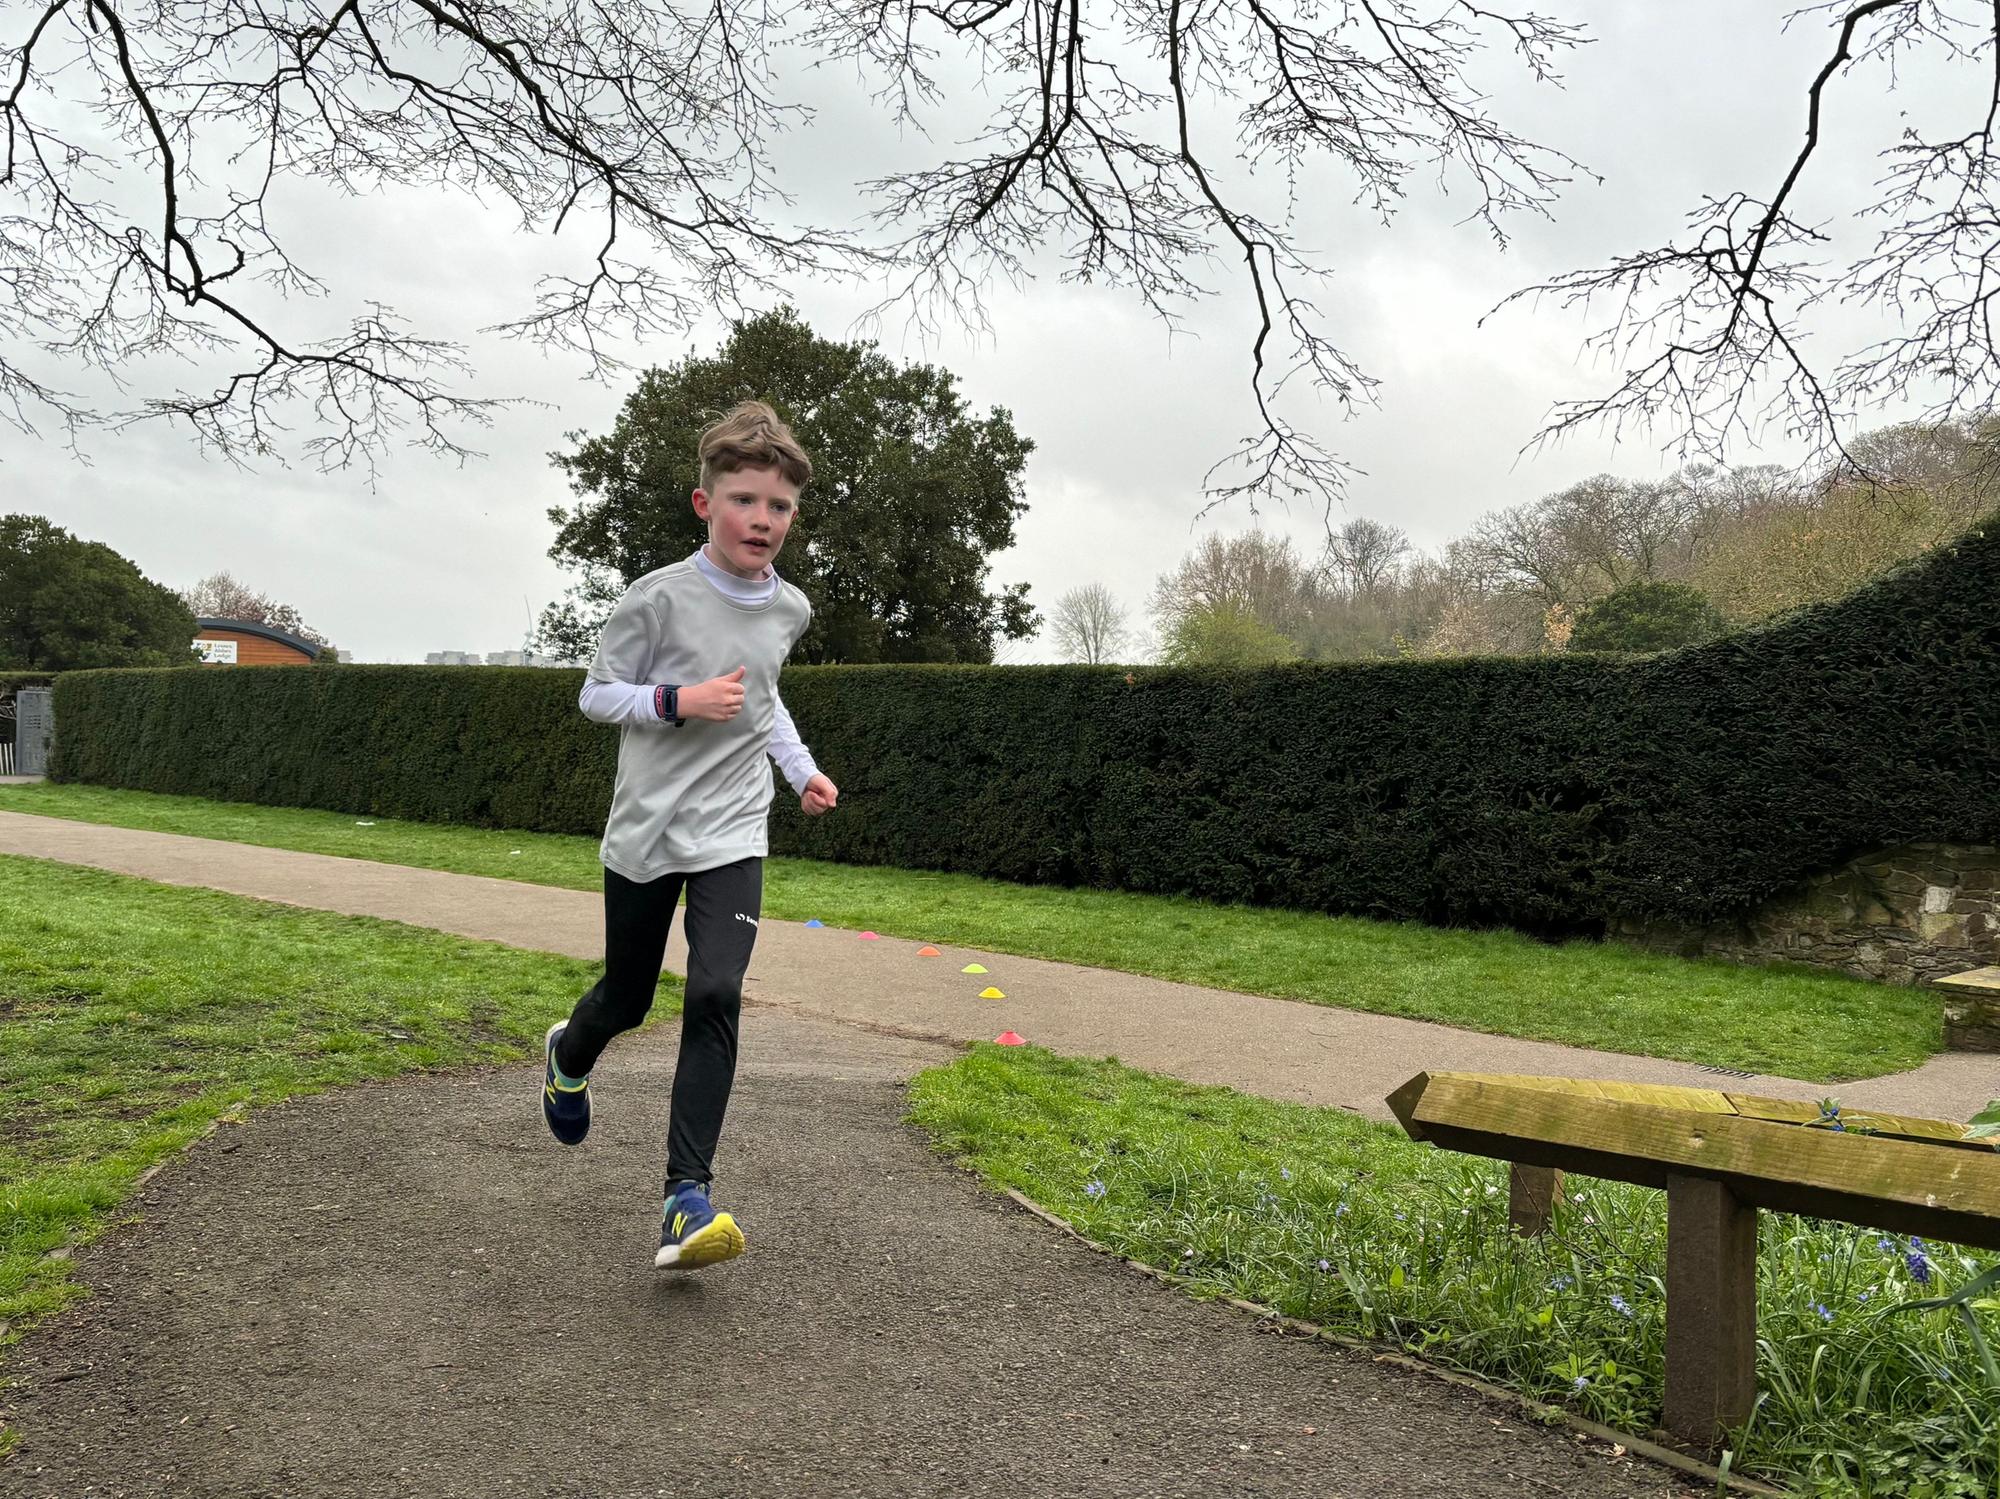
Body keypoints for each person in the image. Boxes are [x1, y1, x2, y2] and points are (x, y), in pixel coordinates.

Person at [540, 399, 838, 1271]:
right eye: (746, 500)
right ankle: (569, 1051)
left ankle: (686, 1198)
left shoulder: (791, 609)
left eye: (779, 506)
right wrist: (677, 702)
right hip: (647, 830)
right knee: (628, 998)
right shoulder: (657, 598)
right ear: (706, 505)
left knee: (715, 992)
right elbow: (597, 695)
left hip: (735, 829)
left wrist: (799, 770)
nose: (764, 519)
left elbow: (766, 696)